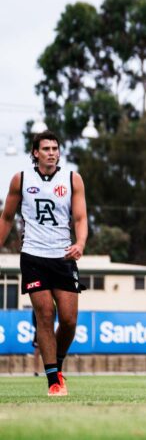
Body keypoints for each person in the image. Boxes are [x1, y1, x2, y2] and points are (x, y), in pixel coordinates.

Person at [0, 130, 87, 396]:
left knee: (70, 321)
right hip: (33, 255)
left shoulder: (73, 179)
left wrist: (80, 244)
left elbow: (81, 218)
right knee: (45, 316)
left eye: (55, 148)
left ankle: (56, 364)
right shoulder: (21, 180)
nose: (51, 152)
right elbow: (6, 217)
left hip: (63, 256)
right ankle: (54, 381)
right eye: (46, 148)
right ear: (35, 153)